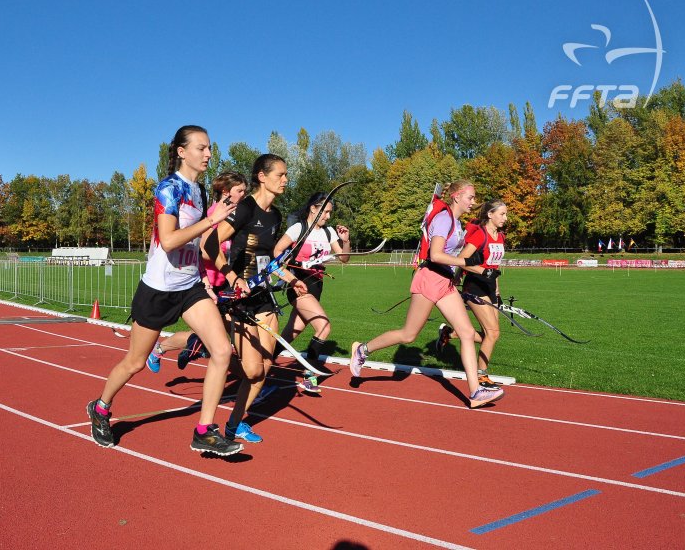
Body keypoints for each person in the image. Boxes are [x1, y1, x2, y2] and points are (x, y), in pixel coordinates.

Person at [86, 125, 242, 456]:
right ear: (182, 152)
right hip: (158, 289)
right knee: (135, 363)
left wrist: (203, 277)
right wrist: (211, 220)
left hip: (189, 287)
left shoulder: (199, 191)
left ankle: (204, 431)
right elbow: (169, 240)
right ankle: (100, 407)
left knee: (222, 351)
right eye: (201, 148)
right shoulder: (168, 188)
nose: (208, 154)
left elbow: (196, 242)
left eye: (210, 148)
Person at [349, 180, 505, 409]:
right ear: (457, 196)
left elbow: (454, 258)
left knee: (466, 332)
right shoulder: (443, 219)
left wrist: (470, 271)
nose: (474, 202)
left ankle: (475, 392)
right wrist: (469, 265)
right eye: (470, 197)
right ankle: (363, 349)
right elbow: (436, 255)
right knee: (408, 335)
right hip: (430, 278)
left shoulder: (457, 222)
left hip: (445, 282)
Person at [204, 154, 308, 443]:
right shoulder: (245, 209)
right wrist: (232, 277)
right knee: (251, 370)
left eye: (286, 175)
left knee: (264, 368)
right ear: (262, 177)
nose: (285, 179)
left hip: (264, 297)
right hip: (241, 299)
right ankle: (208, 348)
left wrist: (291, 278)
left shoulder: (275, 215)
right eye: (280, 174)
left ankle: (234, 424)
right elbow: (208, 244)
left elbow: (270, 260)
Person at [145, 171, 248, 372]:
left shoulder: (233, 216)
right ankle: (161, 348)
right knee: (214, 337)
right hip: (206, 283)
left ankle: (249, 378)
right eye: (239, 191)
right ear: (226, 192)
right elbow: (204, 250)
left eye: (245, 190)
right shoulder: (213, 214)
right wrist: (225, 260)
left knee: (224, 334)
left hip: (223, 283)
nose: (243, 195)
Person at [271, 192, 351, 394]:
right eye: (325, 212)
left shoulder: (329, 232)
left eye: (330, 212)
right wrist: (290, 269)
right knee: (323, 326)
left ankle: (263, 359)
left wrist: (345, 240)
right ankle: (310, 377)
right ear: (313, 208)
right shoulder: (299, 228)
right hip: (299, 286)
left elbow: (344, 259)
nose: (328, 217)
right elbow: (276, 252)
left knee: (291, 333)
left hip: (316, 287)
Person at [436, 200, 508, 390]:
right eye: (502, 214)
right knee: (493, 333)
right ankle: (481, 376)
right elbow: (461, 260)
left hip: (490, 286)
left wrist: (497, 289)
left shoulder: (500, 236)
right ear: (490, 215)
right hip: (475, 285)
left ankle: (450, 333)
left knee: (490, 335)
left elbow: (494, 266)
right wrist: (475, 273)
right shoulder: (480, 235)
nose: (505, 218)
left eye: (506, 214)